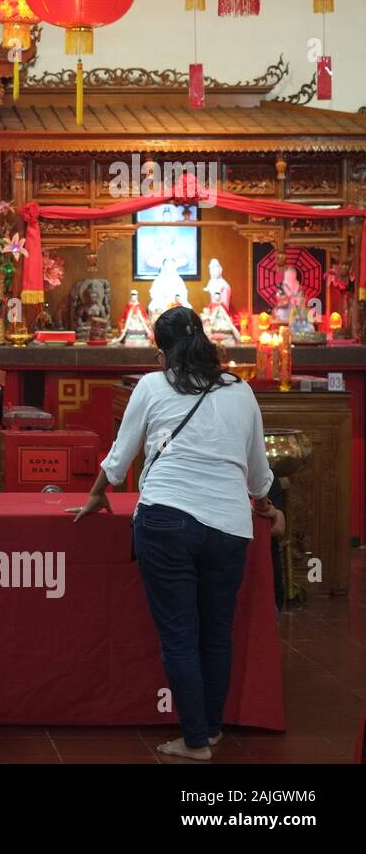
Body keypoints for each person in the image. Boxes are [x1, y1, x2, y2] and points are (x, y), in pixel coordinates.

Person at [73, 307, 273, 761]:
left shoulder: (151, 385)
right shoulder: (240, 391)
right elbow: (259, 474)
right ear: (203, 338)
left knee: (180, 636)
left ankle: (195, 739)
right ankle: (213, 729)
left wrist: (96, 494)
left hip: (166, 519)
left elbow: (120, 457)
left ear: (161, 350)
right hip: (230, 526)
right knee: (216, 634)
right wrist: (266, 507)